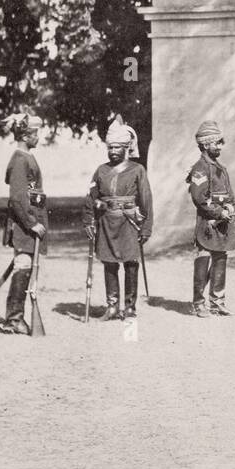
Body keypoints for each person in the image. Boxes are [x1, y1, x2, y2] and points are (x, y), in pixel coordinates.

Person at [83, 121, 153, 321]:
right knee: (109, 263)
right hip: (106, 222)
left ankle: (130, 308)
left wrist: (146, 228)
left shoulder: (137, 170)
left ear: (126, 148)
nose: (113, 151)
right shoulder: (101, 170)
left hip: (129, 222)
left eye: (117, 147)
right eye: (110, 147)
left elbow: (146, 200)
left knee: (131, 263)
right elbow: (90, 197)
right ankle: (112, 307)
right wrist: (88, 221)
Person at [0, 113, 49, 335]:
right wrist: (31, 223)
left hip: (29, 221)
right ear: (25, 135)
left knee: (25, 267)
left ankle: (15, 318)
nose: (39, 137)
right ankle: (13, 319)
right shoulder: (20, 160)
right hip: (23, 224)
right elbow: (18, 198)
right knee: (23, 266)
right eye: (35, 133)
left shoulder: (26, 157)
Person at [187, 119, 235, 317]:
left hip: (223, 224)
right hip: (207, 224)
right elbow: (199, 199)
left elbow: (231, 197)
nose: (220, 146)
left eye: (220, 142)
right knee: (204, 258)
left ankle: (217, 303)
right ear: (206, 144)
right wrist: (219, 212)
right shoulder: (199, 169)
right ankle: (198, 303)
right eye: (217, 143)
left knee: (220, 259)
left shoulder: (221, 169)